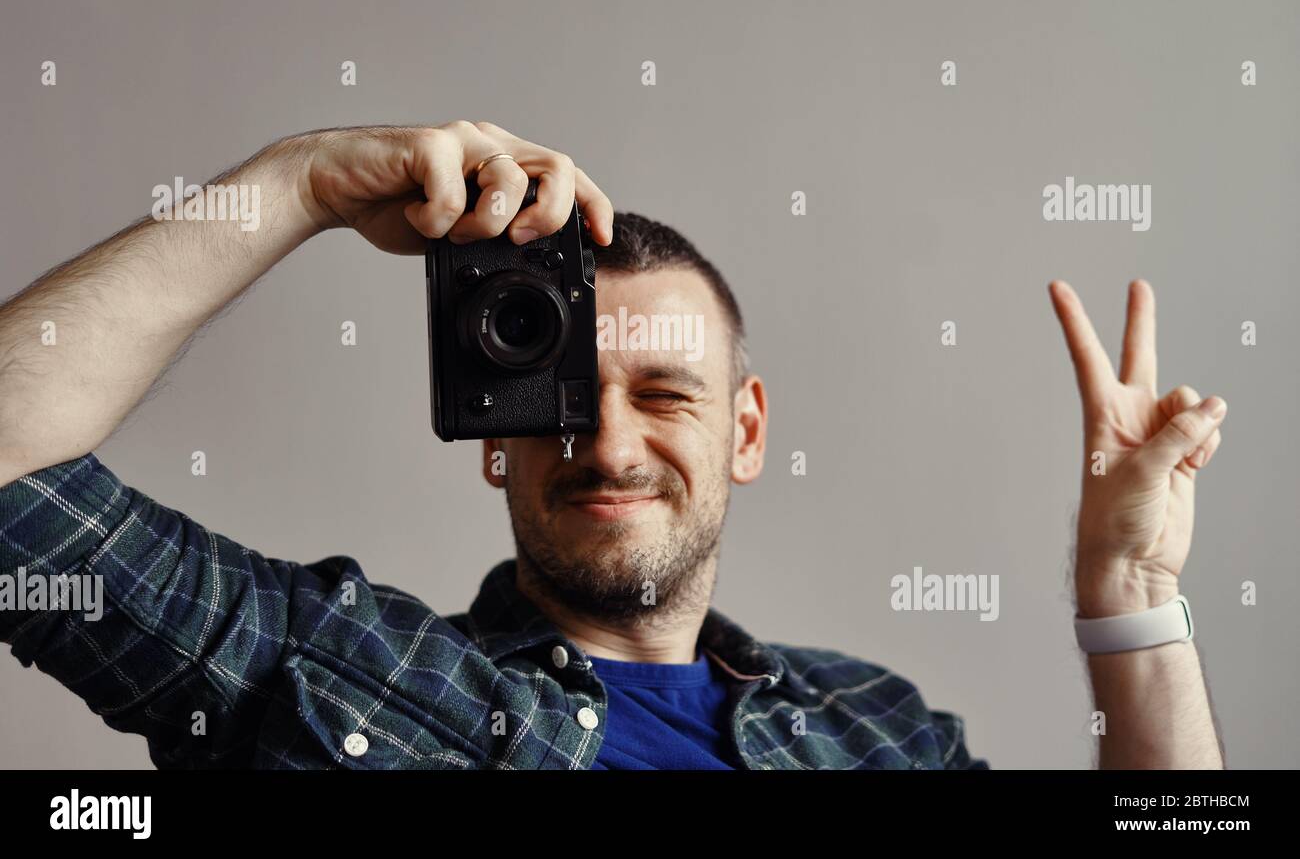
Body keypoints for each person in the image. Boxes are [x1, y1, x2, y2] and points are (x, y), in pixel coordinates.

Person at [0, 121, 1226, 769]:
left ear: (746, 431)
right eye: (562, 395)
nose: (610, 441)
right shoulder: (326, 668)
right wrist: (300, 183)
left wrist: (1131, 600)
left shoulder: (876, 729)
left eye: (667, 393)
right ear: (493, 434)